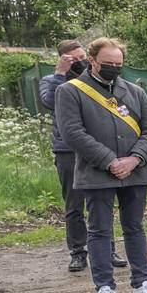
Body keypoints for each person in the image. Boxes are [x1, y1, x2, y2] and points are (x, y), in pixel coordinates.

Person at [54, 37, 147, 293]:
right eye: (108, 64)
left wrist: (135, 158)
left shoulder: (135, 92)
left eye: (119, 64)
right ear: (92, 61)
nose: (114, 68)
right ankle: (105, 288)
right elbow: (72, 133)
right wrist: (110, 161)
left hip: (135, 172)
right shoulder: (71, 91)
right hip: (96, 172)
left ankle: (142, 283)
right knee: (100, 230)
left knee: (135, 228)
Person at [39, 39, 126, 272]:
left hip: (99, 149)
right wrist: (60, 74)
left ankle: (109, 249)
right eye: (72, 59)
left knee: (102, 203)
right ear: (61, 59)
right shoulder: (51, 81)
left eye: (80, 58)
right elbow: (49, 102)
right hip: (67, 150)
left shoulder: (95, 80)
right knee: (74, 204)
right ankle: (78, 252)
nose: (77, 63)